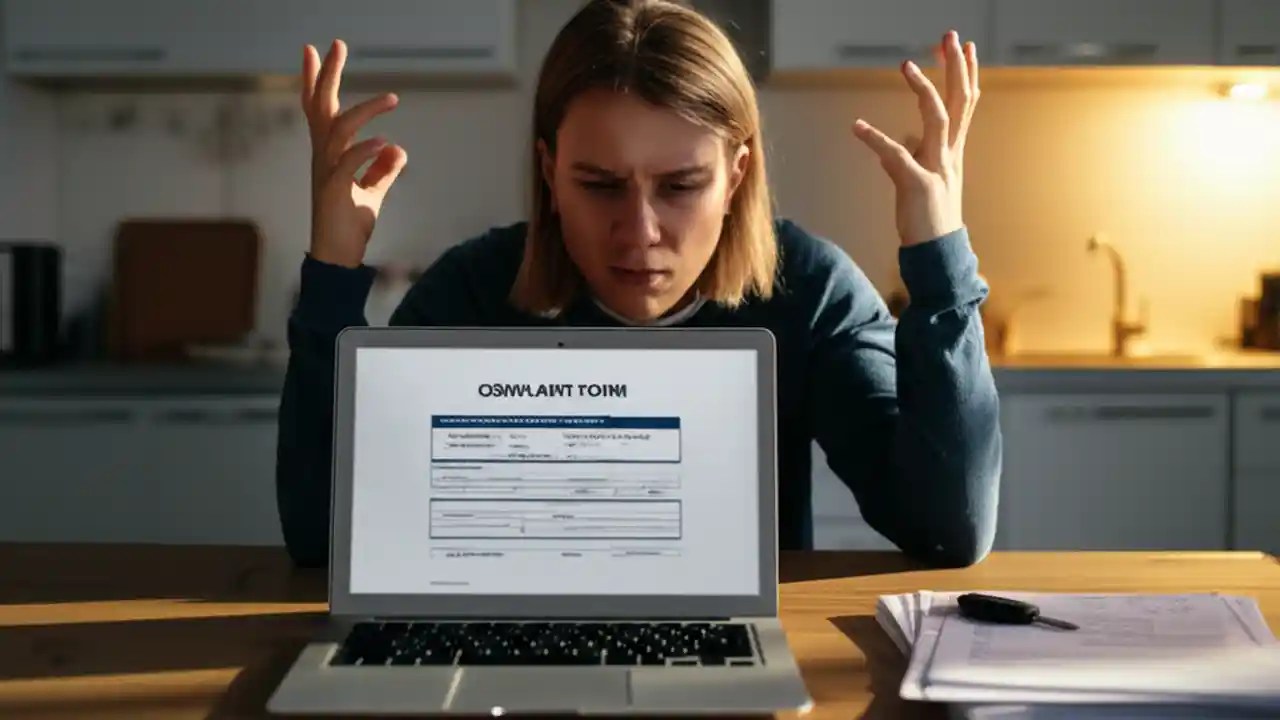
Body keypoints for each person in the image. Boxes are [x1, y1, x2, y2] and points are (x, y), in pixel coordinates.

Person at [276, 0, 1001, 570]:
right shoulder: (473, 289)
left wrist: (940, 258)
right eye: (599, 185)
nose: (641, 232)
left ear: (735, 177)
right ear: (550, 174)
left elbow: (947, 530)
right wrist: (333, 272)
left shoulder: (807, 291)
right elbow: (325, 538)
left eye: (681, 186)